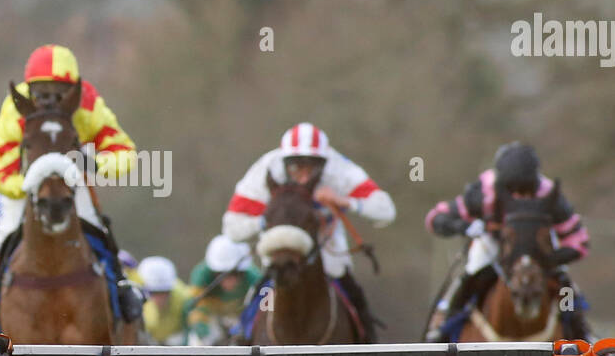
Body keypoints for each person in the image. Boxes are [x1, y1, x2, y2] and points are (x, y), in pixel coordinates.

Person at [0, 44, 144, 327]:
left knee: (97, 226)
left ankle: (120, 287)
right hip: (24, 182)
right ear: (29, 90)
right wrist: (29, 184)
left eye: (59, 92)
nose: (50, 101)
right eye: (42, 92)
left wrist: (95, 165)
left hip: (71, 180)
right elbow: (1, 173)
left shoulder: (89, 103)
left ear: (73, 91)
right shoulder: (14, 108)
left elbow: (125, 152)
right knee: (7, 232)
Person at [221, 123, 395, 342]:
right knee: (259, 294)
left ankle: (368, 345)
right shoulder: (266, 168)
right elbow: (231, 227)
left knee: (353, 291)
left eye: (311, 167)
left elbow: (386, 210)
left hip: (327, 246)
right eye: (296, 167)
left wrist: (345, 201)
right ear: (284, 163)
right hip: (279, 250)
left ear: (324, 162)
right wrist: (266, 221)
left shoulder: (338, 169)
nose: (304, 176)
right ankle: (241, 339)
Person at [423, 142, 592, 341]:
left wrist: (552, 259)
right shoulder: (484, 192)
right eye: (512, 190)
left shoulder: (549, 195)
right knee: (469, 275)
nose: (519, 196)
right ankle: (443, 329)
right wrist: (463, 227)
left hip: (537, 251)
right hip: (494, 246)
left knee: (565, 281)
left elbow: (579, 241)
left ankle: (581, 331)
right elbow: (435, 218)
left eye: (527, 189)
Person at [185, 236, 264, 345]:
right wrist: (201, 328)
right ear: (213, 271)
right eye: (221, 274)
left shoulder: (254, 278)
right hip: (212, 318)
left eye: (236, 274)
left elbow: (260, 309)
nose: (229, 280)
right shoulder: (201, 275)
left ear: (244, 272)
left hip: (240, 318)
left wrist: (244, 328)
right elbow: (197, 308)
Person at [135, 255, 194, 344]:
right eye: (153, 292)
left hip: (176, 343)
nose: (159, 299)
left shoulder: (185, 298)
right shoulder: (135, 300)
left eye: (164, 292)